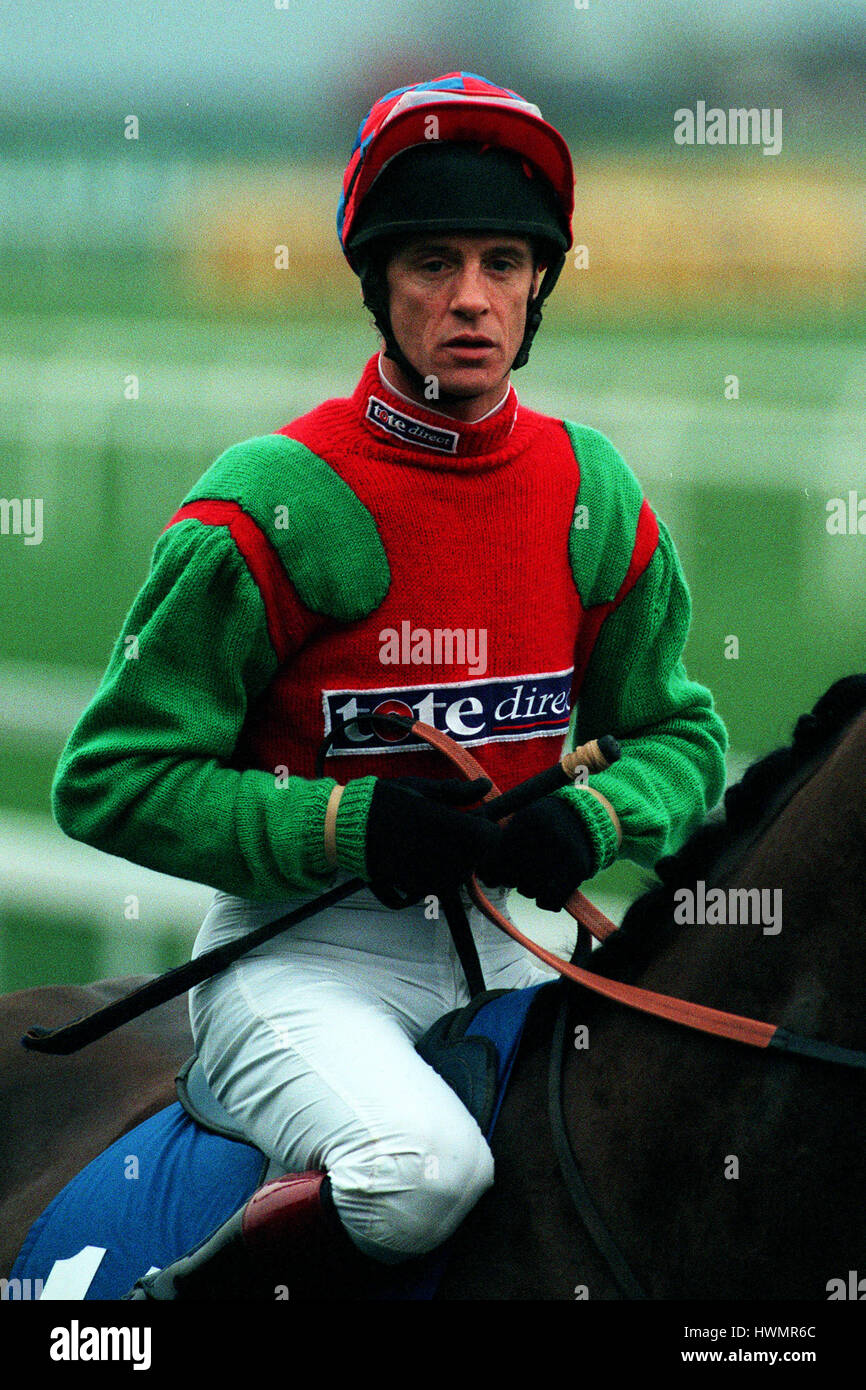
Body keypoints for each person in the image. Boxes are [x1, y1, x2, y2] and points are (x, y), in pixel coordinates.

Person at [51, 72, 728, 1298]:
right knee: (422, 1174)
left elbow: (682, 734)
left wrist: (596, 815)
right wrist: (347, 827)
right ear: (376, 284)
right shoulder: (270, 500)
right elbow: (109, 780)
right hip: (305, 964)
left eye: (502, 264)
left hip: (523, 948)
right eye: (429, 264)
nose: (469, 299)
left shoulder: (594, 492)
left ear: (537, 287)